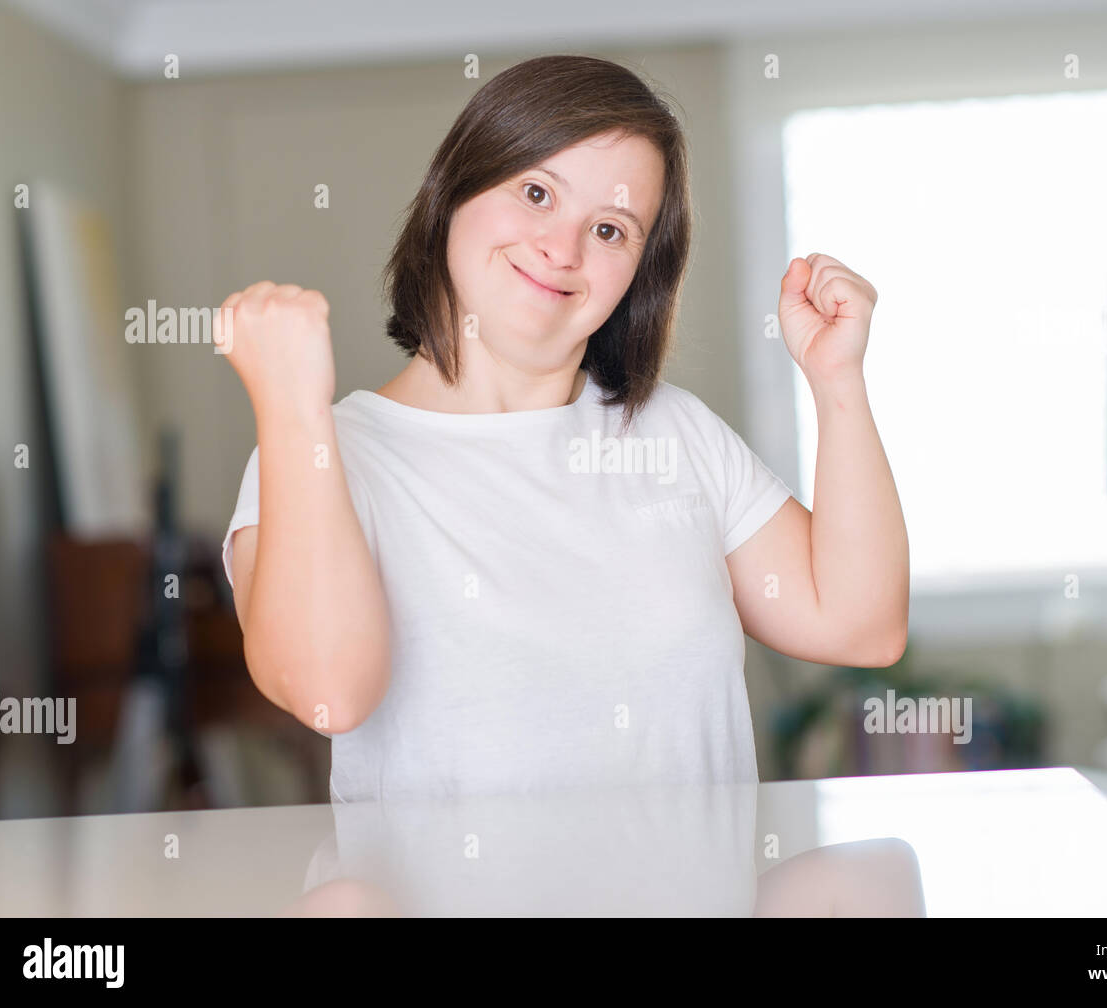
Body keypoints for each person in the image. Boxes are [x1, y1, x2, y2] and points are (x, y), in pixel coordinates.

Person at [218, 54, 909, 802]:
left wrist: (838, 382)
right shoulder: (327, 456)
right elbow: (330, 693)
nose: (563, 249)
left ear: (640, 274)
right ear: (454, 192)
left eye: (610, 229)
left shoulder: (675, 434)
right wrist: (292, 405)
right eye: (537, 192)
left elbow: (859, 623)